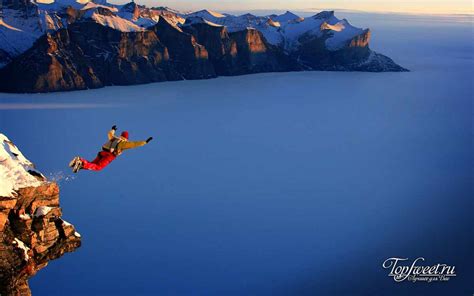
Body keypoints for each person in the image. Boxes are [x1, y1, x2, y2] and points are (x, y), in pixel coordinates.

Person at [69, 125, 153, 173]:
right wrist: (144, 142)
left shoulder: (114, 138)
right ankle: (82, 163)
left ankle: (80, 161)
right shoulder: (124, 143)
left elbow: (110, 134)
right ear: (126, 138)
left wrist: (113, 129)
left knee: (93, 164)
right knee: (98, 167)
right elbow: (134, 144)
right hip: (109, 156)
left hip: (102, 153)